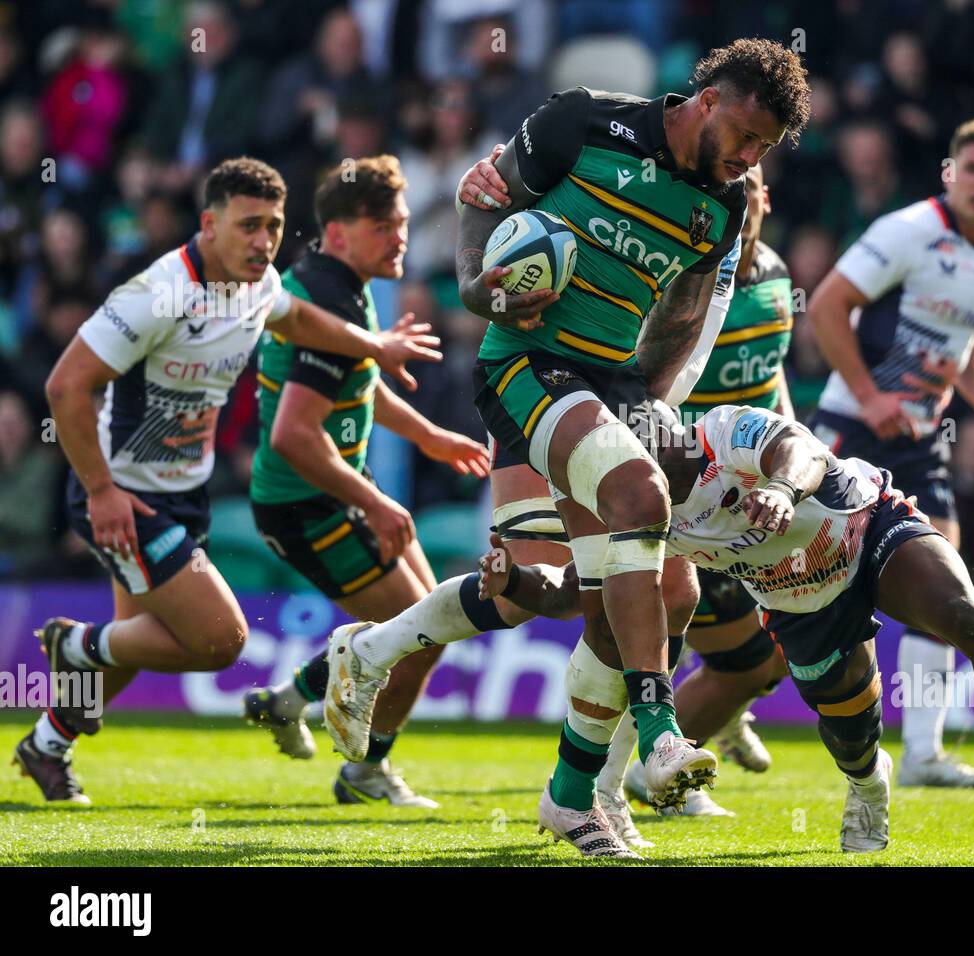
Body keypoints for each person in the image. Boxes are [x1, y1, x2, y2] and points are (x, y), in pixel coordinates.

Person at [320, 37, 811, 856]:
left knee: (640, 594)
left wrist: (646, 416)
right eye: (749, 138)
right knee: (637, 506)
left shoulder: (720, 209)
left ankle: (563, 791)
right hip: (526, 363)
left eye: (768, 151)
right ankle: (658, 733)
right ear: (711, 100)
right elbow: (487, 198)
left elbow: (682, 324)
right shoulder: (584, 121)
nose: (752, 160)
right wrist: (480, 283)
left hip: (612, 387)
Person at [477, 402, 974, 857]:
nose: (665, 454)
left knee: (968, 619)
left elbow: (799, 451)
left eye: (667, 440)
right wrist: (516, 584)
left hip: (866, 528)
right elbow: (585, 592)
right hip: (800, 601)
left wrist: (783, 490)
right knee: (852, 736)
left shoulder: (724, 430)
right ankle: (868, 785)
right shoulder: (641, 511)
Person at [13, 157, 440, 805]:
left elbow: (297, 319)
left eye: (273, 226)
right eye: (248, 226)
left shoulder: (258, 284)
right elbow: (66, 385)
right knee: (218, 639)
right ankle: (74, 642)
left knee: (140, 647)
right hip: (123, 495)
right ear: (209, 225)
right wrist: (100, 490)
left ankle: (48, 743)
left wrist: (373, 346)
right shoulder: (158, 294)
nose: (264, 241)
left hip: (182, 495)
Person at [240, 155, 489, 808]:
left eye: (402, 223)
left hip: (334, 491)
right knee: (422, 635)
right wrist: (375, 501)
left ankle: (292, 701)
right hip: (311, 505)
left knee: (422, 628)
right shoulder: (328, 295)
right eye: (383, 226)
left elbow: (357, 380)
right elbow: (294, 433)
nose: (400, 237)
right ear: (339, 231)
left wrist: (426, 435)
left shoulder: (336, 286)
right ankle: (361, 769)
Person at [805, 118, 974, 789]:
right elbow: (825, 306)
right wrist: (871, 395)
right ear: (949, 173)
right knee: (802, 581)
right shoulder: (906, 231)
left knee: (946, 584)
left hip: (921, 441)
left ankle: (924, 753)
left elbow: (966, 345)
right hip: (853, 428)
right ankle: (720, 693)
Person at [616, 162, 794, 819]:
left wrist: (793, 453)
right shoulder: (676, 275)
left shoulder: (775, 274)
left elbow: (772, 380)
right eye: (729, 195)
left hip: (756, 491)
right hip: (689, 489)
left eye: (749, 195)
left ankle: (675, 748)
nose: (739, 208)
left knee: (768, 657)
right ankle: (648, 771)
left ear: (765, 201)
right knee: (738, 654)